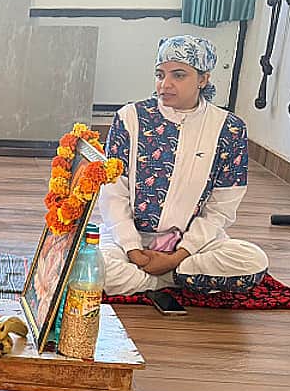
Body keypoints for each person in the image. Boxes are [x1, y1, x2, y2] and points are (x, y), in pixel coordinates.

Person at [98, 35, 269, 295]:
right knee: (92, 269)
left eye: (178, 75)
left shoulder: (229, 129)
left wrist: (177, 256)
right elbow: (113, 195)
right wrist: (133, 249)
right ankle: (166, 282)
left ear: (203, 79)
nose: (165, 84)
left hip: (192, 246)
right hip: (127, 241)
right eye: (159, 74)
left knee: (252, 261)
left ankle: (165, 275)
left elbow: (221, 208)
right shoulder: (130, 118)